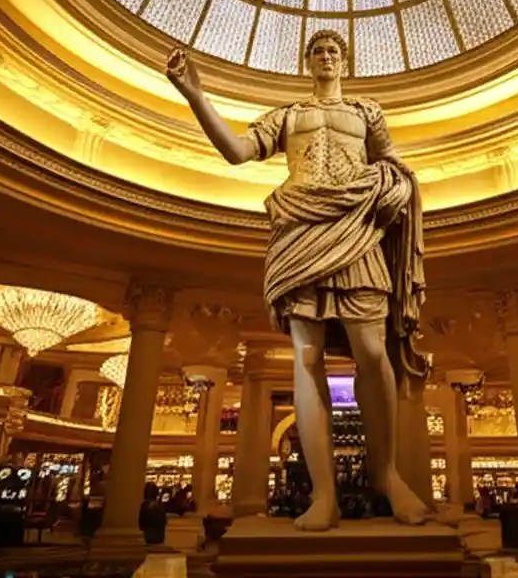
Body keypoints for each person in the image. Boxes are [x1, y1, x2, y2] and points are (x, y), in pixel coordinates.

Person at [168, 32, 428, 532]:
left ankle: (387, 475)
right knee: (306, 360)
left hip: (354, 228)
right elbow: (238, 152)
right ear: (307, 62)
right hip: (299, 229)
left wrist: (396, 186)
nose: (326, 57)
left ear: (344, 62)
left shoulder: (366, 113)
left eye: (334, 52)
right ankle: (324, 495)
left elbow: (395, 165)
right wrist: (195, 95)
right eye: (318, 52)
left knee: (373, 352)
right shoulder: (287, 116)